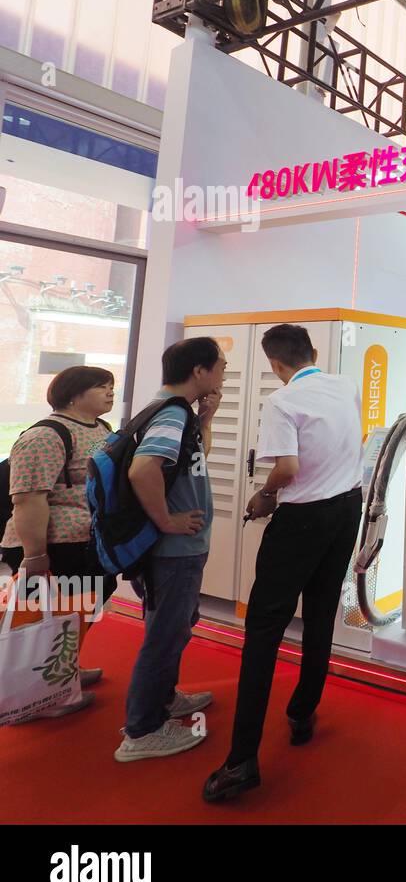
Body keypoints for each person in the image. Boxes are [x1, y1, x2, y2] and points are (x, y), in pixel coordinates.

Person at [203, 324, 363, 802]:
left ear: (273, 364)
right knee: (320, 611)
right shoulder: (344, 385)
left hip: (302, 519)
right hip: (346, 509)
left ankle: (242, 760)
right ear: (312, 352)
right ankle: (302, 712)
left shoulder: (282, 402)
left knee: (265, 629)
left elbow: (289, 469)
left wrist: (266, 494)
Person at [114, 337, 224, 762]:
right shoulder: (170, 414)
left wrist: (207, 420)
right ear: (199, 370)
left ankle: (164, 699)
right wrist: (167, 521)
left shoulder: (174, 413)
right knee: (164, 635)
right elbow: (145, 469)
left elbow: (191, 463)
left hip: (181, 549)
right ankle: (140, 732)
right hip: (173, 551)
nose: (224, 374)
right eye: (220, 366)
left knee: (175, 626)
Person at [1, 366, 116, 717]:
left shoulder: (103, 429)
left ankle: (64, 671)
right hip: (52, 545)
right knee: (46, 616)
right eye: (102, 387)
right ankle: (42, 695)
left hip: (88, 542)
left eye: (112, 386)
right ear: (73, 394)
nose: (111, 393)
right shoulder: (46, 436)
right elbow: (28, 498)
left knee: (80, 610)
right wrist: (35, 557)